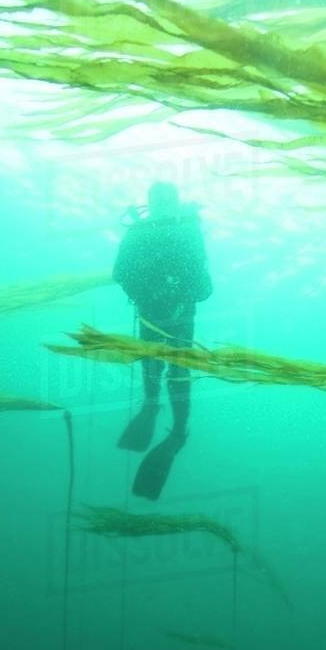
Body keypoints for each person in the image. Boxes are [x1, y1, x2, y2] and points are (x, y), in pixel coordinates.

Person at [112, 181, 213, 500]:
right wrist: (165, 292)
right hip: (164, 310)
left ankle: (160, 413)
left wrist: (160, 293)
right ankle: (171, 424)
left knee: (162, 365)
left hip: (164, 310)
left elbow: (202, 282)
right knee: (173, 368)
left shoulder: (154, 230)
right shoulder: (176, 229)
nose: (164, 207)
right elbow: (120, 273)